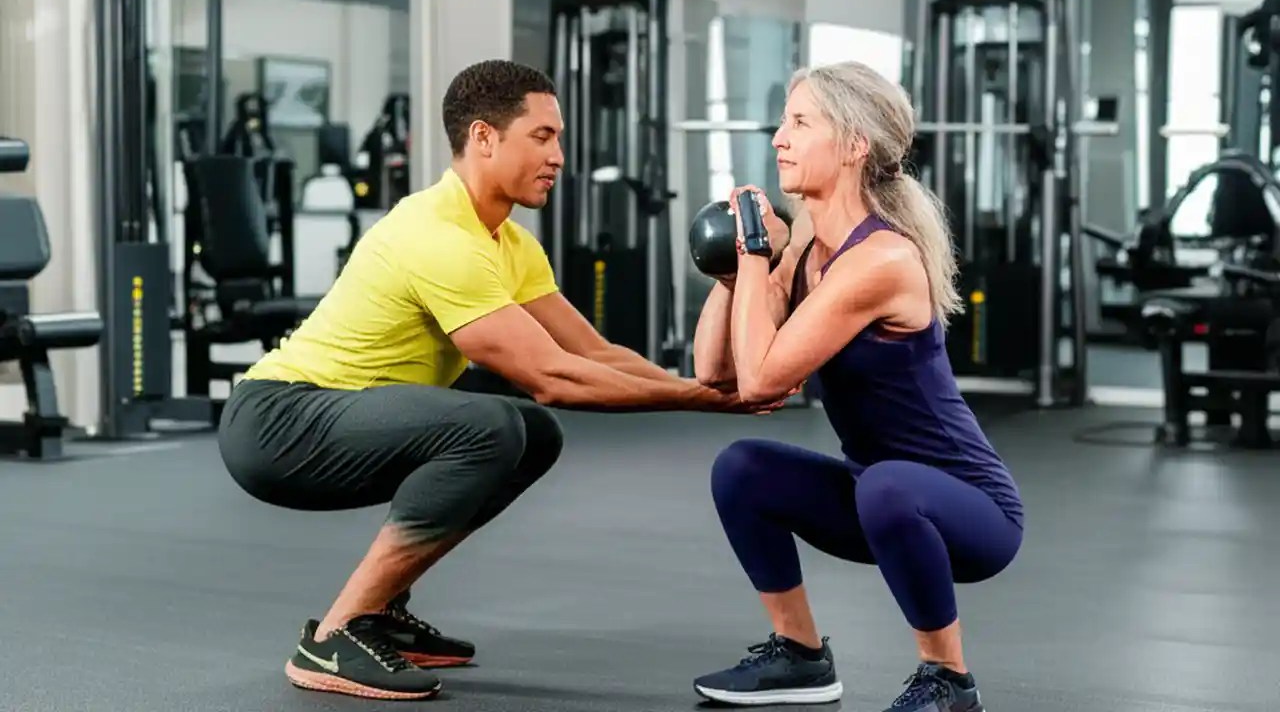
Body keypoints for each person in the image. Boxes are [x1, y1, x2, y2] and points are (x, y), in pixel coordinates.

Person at [217, 59, 784, 703]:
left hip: (341, 414)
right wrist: (705, 400)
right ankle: (335, 634)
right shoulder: (436, 234)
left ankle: (378, 613)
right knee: (491, 425)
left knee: (533, 435)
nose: (560, 156)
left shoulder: (509, 244)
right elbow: (552, 377)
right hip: (277, 422)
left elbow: (592, 352)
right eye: (542, 137)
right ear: (484, 137)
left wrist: (703, 387)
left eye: (559, 138)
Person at [688, 60, 1024, 712]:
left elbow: (760, 380)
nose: (779, 137)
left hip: (972, 511)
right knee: (743, 468)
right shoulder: (810, 250)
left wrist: (758, 252)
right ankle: (800, 656)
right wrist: (741, 271)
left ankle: (949, 682)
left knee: (887, 484)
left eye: (800, 121)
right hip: (878, 498)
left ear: (853, 145)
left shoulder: (881, 260)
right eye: (783, 121)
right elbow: (716, 372)